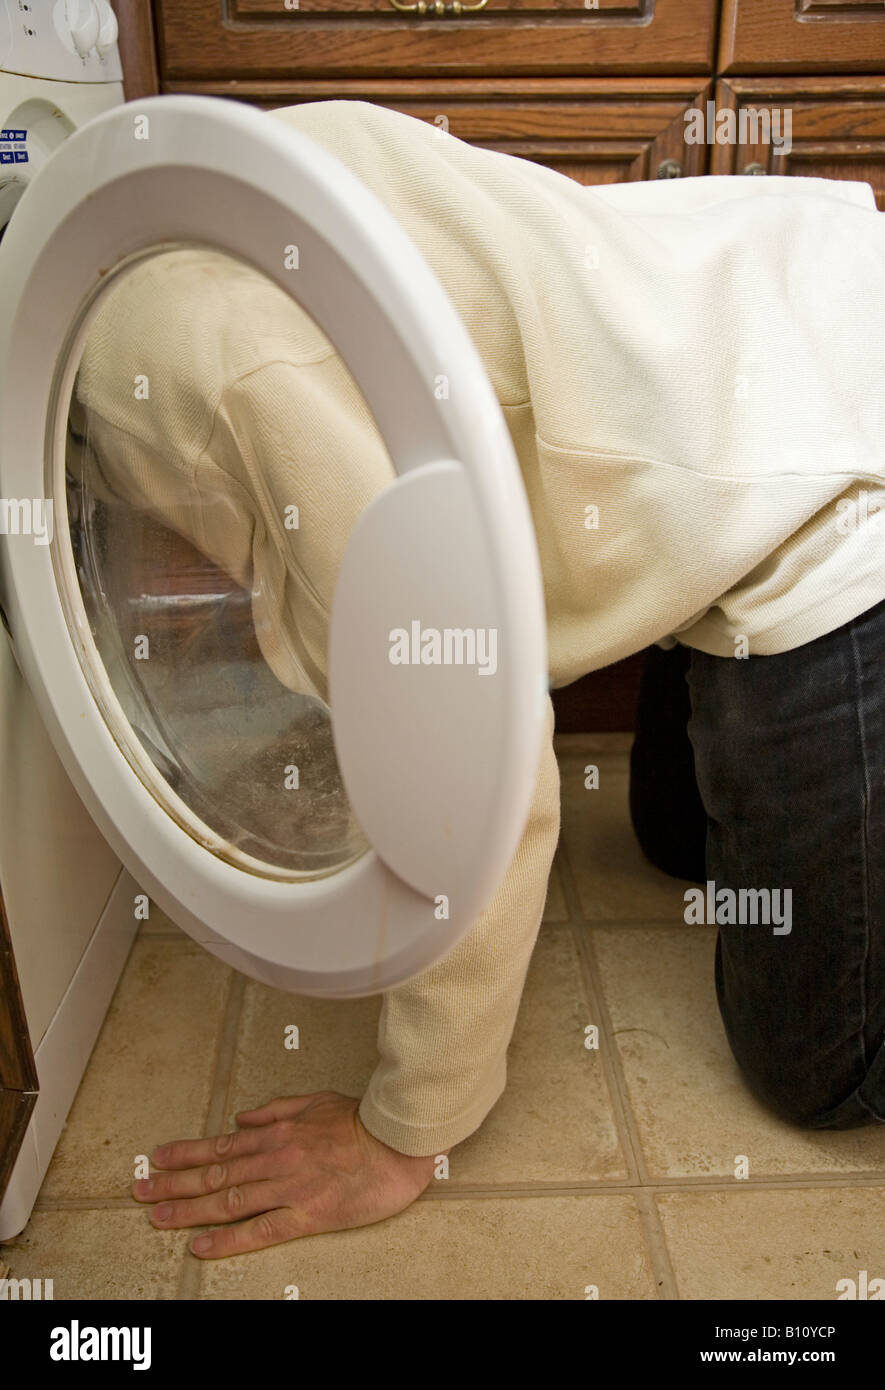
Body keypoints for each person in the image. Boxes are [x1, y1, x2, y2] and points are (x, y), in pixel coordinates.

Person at [72, 100, 885, 1258]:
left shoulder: (202, 381)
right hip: (746, 314)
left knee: (813, 1064)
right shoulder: (133, 215)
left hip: (832, 467)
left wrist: (410, 1127)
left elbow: (477, 744)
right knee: (674, 842)